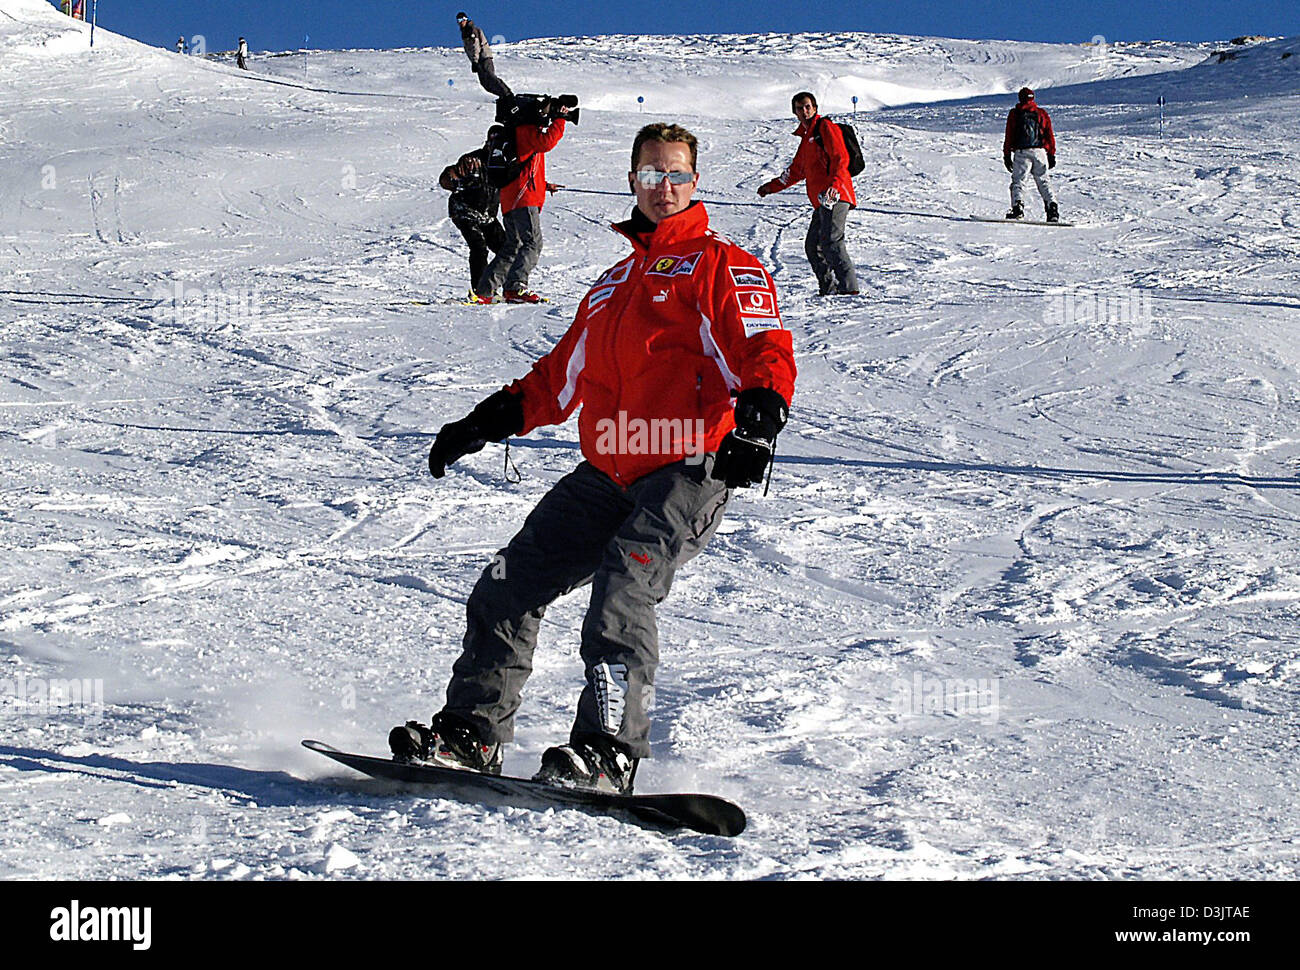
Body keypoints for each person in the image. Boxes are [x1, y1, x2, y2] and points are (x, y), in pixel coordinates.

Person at [391, 122, 798, 794]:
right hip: (608, 470)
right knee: (508, 584)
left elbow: (763, 345)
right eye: (649, 174)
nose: (662, 188)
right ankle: (471, 734)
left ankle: (608, 752)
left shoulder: (722, 264)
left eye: (676, 175)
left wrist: (758, 416)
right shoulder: (611, 285)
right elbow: (558, 377)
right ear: (631, 180)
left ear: (695, 183)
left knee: (623, 590)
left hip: (688, 466)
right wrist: (484, 420)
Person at [757, 92, 859, 296]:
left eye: (807, 107)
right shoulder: (807, 139)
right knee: (813, 246)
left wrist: (836, 186)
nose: (804, 111)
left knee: (831, 241)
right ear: (794, 111)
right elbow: (796, 171)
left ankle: (849, 291)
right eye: (799, 108)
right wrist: (770, 187)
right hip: (822, 200)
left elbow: (841, 158)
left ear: (815, 108)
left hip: (836, 195)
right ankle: (828, 289)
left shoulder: (825, 128)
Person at [471, 106, 569, 304]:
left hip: (512, 199)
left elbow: (524, 167)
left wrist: (543, 185)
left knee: (513, 246)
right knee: (532, 242)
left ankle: (485, 290)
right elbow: (548, 142)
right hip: (524, 199)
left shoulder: (514, 133)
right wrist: (560, 119)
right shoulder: (525, 130)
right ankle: (516, 287)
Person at [439, 143, 506, 300]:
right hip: (465, 212)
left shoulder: (503, 161)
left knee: (506, 248)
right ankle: (481, 290)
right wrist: (455, 179)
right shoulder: (472, 160)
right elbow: (447, 178)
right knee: (478, 247)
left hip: (487, 215)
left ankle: (509, 288)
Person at [1003, 87, 1060, 222]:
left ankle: (1017, 208)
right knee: (1043, 181)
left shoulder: (1015, 114)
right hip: (1040, 152)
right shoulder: (1041, 113)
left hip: (1022, 152)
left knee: (1019, 181)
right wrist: (1051, 154)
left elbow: (1009, 135)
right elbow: (1049, 134)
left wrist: (1006, 155)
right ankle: (1052, 208)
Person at [456, 12, 513, 100]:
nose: (460, 22)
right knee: (485, 83)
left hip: (483, 57)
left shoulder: (472, 30)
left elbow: (476, 46)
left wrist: (475, 61)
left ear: (466, 19)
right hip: (478, 60)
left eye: (461, 20)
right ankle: (503, 95)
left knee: (490, 76)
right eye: (458, 21)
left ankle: (507, 94)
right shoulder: (464, 33)